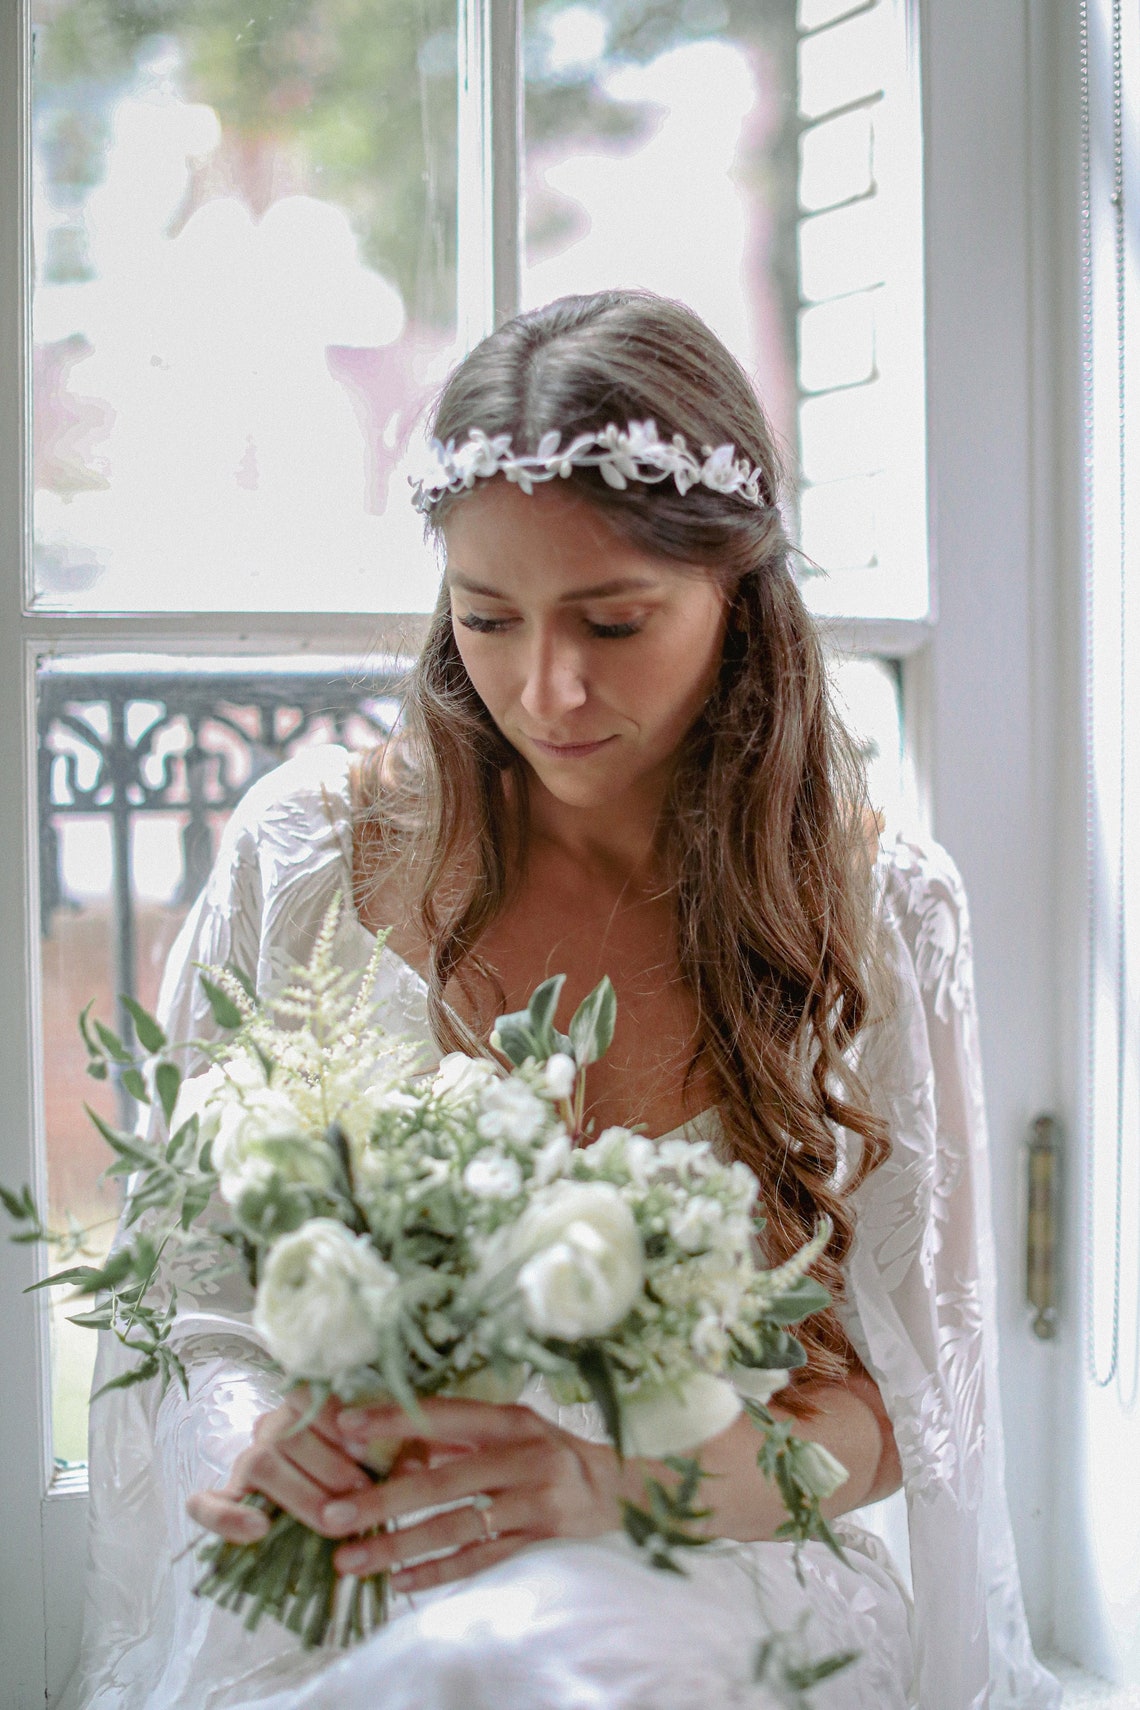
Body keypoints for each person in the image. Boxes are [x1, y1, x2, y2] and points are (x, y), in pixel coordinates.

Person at [72, 291, 1059, 1710]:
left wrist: (611, 1482)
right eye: (488, 616)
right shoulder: (303, 862)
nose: (547, 688)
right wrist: (262, 1433)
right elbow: (190, 1302)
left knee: (503, 1667)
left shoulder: (883, 910)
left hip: (706, 1553)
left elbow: (910, 1400)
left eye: (613, 619)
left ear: (736, 586)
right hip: (359, 1551)